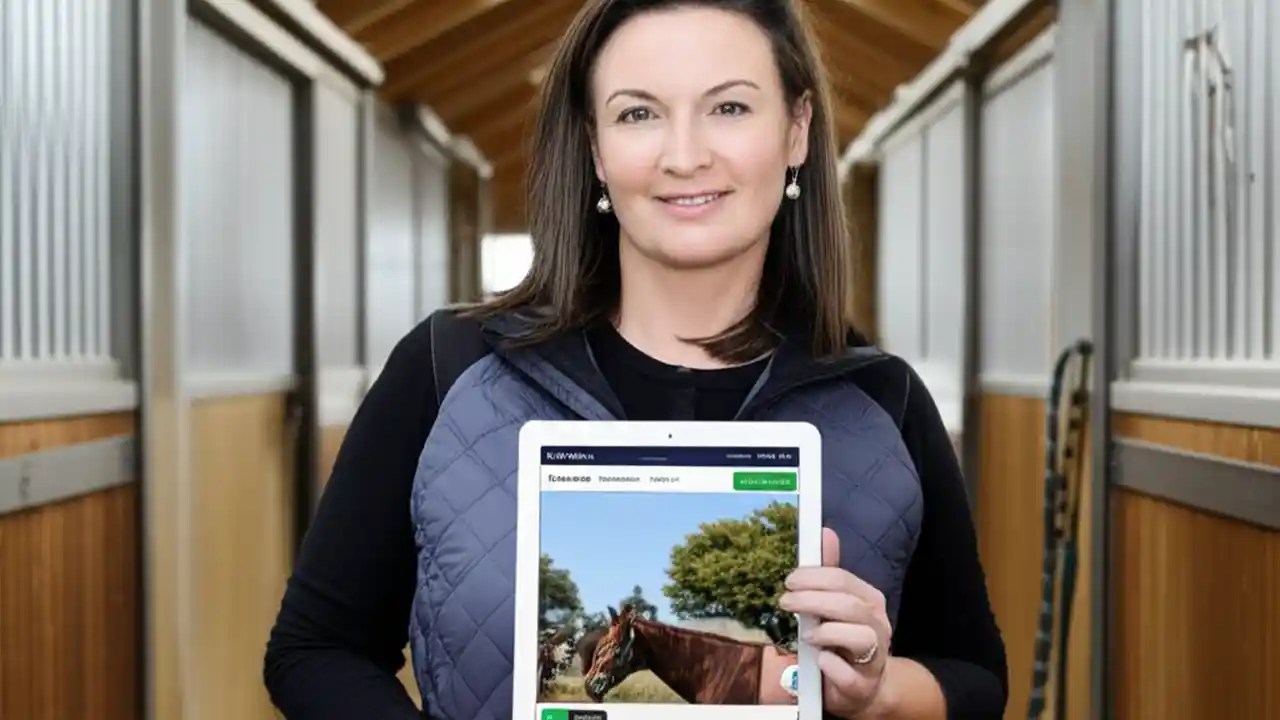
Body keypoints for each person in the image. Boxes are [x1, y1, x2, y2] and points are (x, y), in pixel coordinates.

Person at [264, 1, 1008, 718]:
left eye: (730, 108)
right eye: (639, 113)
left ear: (797, 130)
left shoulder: (883, 400)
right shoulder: (447, 370)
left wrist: (880, 695)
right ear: (595, 147)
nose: (684, 156)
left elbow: (976, 679)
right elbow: (316, 649)